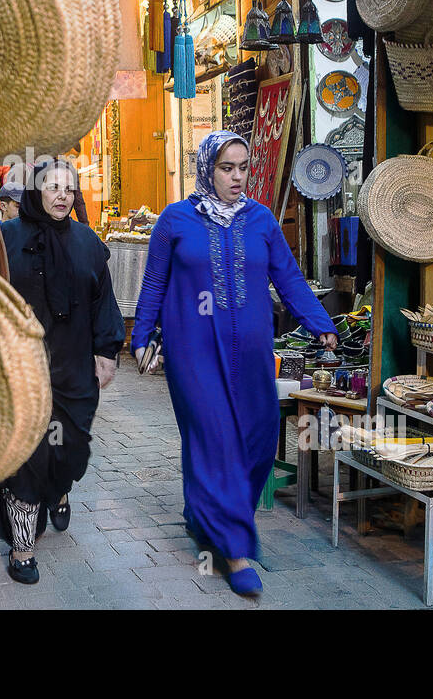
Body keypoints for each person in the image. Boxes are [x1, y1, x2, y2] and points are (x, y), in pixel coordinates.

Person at [131, 130, 337, 597]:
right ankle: (235, 551)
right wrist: (141, 337)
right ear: (208, 169)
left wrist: (320, 323)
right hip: (193, 352)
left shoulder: (261, 220)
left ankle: (203, 513)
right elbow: (154, 283)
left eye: (244, 167)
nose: (238, 177)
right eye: (227, 168)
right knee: (215, 439)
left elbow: (289, 278)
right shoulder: (175, 220)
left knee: (259, 436)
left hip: (253, 353)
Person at [0, 158, 124, 585]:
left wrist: (106, 351)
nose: (62, 195)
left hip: (73, 370)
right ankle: (22, 549)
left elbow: (102, 300)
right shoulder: (2, 239)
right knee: (26, 460)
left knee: (63, 449)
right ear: (34, 191)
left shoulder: (87, 241)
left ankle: (60, 488)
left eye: (69, 188)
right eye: (53, 187)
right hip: (19, 371)